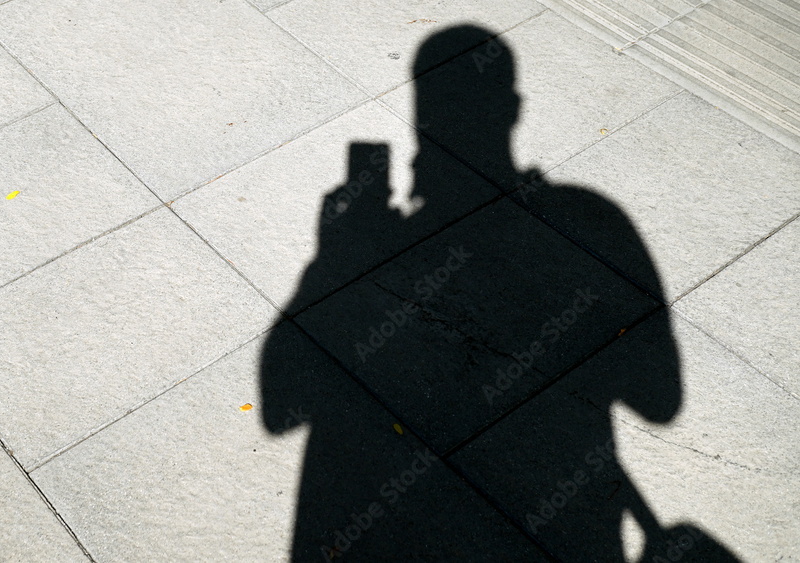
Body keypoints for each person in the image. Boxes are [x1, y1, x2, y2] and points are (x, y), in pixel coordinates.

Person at [261, 25, 738, 562]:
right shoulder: (591, 221)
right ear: (513, 108)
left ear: (423, 122)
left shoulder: (394, 244)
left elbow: (282, 407)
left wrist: (333, 266)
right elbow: (659, 399)